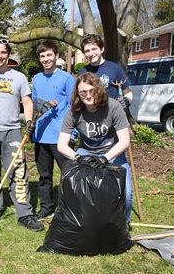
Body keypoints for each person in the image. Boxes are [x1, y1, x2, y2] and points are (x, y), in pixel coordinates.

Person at [0, 38, 43, 231]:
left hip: (13, 131)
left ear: (8, 55)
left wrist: (29, 122)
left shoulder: (19, 77)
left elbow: (28, 102)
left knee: (18, 171)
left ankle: (24, 213)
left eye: (3, 53)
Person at [57, 72, 132, 222]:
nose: (88, 95)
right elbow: (61, 145)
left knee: (126, 193)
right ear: (78, 94)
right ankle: (85, 224)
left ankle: (123, 225)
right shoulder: (73, 111)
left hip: (112, 152)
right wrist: (78, 157)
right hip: (86, 151)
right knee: (76, 188)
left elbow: (124, 141)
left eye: (91, 90)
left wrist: (105, 158)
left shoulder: (113, 106)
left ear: (98, 89)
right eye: (83, 92)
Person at [30, 41, 75, 221]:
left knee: (67, 174)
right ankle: (46, 207)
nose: (46, 59)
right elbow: (33, 105)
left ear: (56, 56)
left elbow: (74, 107)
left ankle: (68, 208)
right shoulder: (37, 79)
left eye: (49, 55)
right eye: (42, 56)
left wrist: (73, 133)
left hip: (61, 137)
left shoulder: (66, 78)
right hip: (41, 136)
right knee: (44, 176)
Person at [79, 34, 133, 109]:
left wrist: (127, 100)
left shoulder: (115, 68)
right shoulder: (83, 72)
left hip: (112, 115)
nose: (91, 53)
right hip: (91, 116)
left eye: (94, 49)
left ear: (102, 49)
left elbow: (127, 92)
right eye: (87, 51)